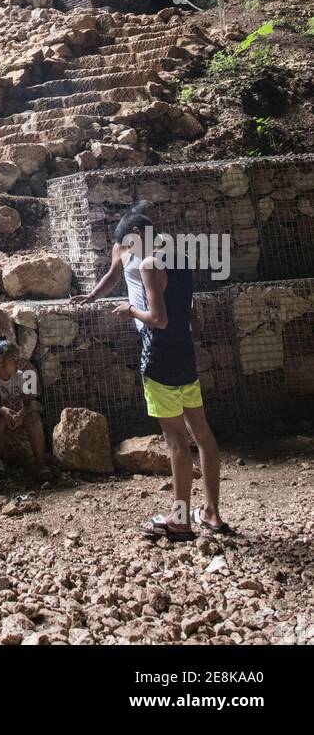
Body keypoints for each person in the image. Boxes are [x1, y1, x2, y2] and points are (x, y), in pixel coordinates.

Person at [79, 201, 228, 541]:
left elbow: (157, 319)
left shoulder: (148, 263)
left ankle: (178, 520)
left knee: (176, 443)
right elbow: (194, 315)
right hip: (185, 356)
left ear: (135, 236)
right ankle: (211, 512)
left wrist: (130, 309)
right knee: (202, 435)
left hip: (158, 357)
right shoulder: (180, 257)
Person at [0, 336, 51, 480]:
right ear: (0, 361)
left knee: (34, 419)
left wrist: (20, 415)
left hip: (17, 413)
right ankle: (0, 461)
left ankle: (41, 463)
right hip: (0, 414)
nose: (17, 362)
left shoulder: (20, 376)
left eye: (18, 358)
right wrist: (6, 413)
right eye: (13, 359)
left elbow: (27, 404)